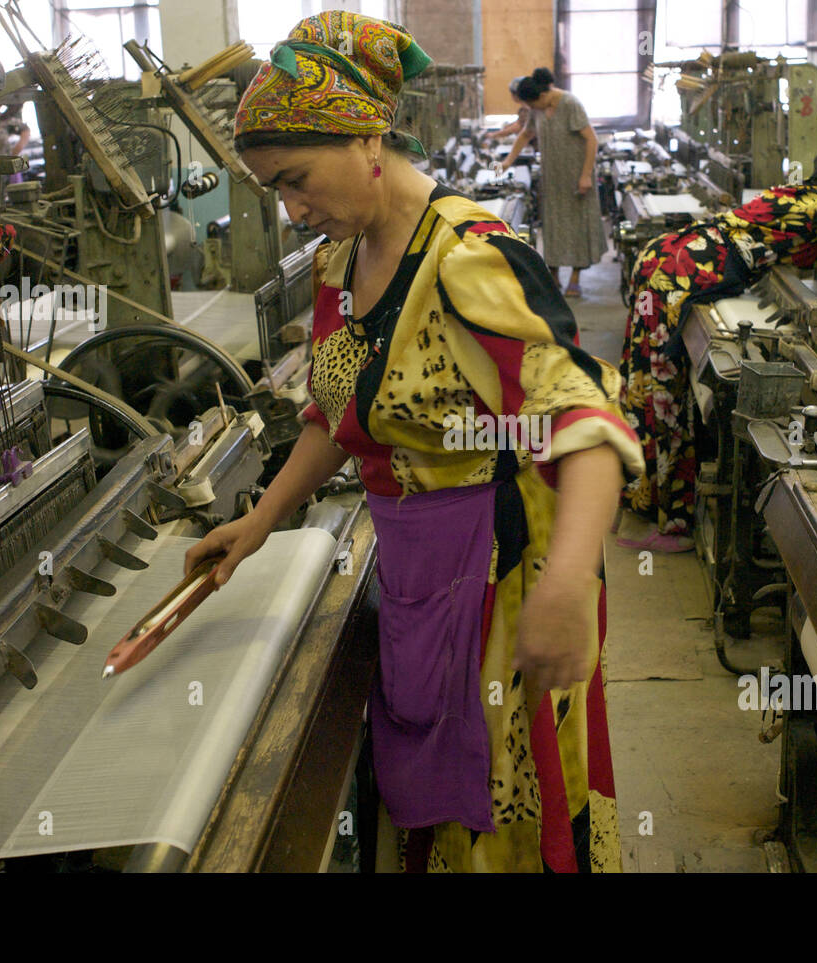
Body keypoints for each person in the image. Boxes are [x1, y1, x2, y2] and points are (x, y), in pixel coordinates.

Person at [192, 10, 644, 873]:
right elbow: (337, 411)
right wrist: (261, 522)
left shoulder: (469, 259)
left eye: (296, 179)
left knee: (502, 810)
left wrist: (566, 584)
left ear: (366, 139)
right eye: (275, 191)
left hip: (500, 576)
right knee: (426, 802)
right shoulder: (342, 259)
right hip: (414, 568)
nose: (292, 209)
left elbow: (586, 420)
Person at [617, 144, 817, 552]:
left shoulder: (801, 193)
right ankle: (675, 524)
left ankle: (642, 492)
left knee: (643, 382)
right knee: (665, 396)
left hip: (669, 259)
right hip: (682, 274)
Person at [498, 68, 605, 298]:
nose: (531, 110)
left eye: (531, 105)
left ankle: (575, 277)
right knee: (553, 225)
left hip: (577, 175)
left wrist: (586, 175)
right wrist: (506, 162)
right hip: (552, 176)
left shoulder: (570, 104)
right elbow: (525, 135)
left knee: (578, 225)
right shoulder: (537, 110)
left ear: (542, 96)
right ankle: (553, 273)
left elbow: (591, 139)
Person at [481, 77, 534, 146]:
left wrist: (494, 134)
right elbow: (518, 123)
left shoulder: (526, 108)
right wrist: (507, 127)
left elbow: (517, 127)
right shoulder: (526, 107)